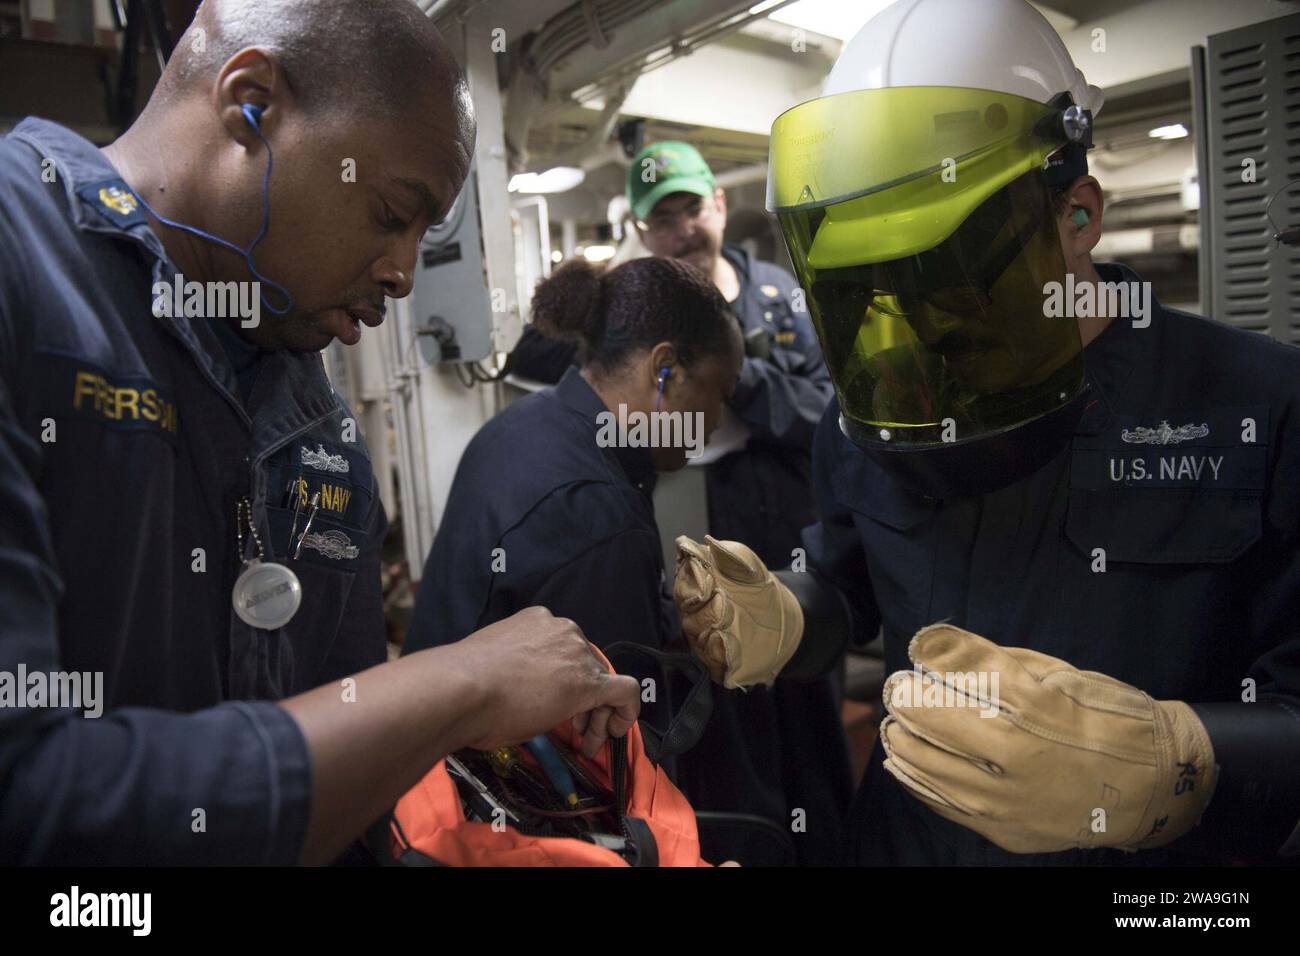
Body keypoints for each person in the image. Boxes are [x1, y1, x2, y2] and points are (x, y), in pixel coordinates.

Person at [0, 0, 638, 866]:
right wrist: (460, 683)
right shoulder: (20, 268)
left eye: (423, 235)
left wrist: (496, 730)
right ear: (251, 102)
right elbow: (30, 804)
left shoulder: (314, 418)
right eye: (388, 213)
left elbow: (335, 765)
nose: (404, 275)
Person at [674, 0, 1300, 865]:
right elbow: (849, 580)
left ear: (1076, 215)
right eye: (878, 279)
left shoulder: (1260, 408)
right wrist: (787, 613)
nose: (917, 320)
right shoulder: (875, 412)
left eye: (948, 270)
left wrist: (1179, 764)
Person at [505, 142, 852, 865]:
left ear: (719, 206)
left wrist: (741, 380)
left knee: (811, 728)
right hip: (695, 555)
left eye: (691, 209)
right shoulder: (629, 331)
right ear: (641, 231)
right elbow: (534, 355)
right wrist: (615, 310)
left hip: (788, 547)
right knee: (728, 734)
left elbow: (836, 411)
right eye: (661, 221)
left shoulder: (785, 299)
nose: (682, 230)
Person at [403, 256, 743, 744]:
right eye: (720, 392)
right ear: (664, 369)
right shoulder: (601, 513)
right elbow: (628, 745)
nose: (717, 419)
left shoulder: (522, 424)